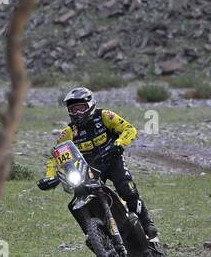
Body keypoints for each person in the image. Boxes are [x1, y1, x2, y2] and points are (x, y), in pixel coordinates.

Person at [38, 86, 158, 239]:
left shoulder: (105, 116)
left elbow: (130, 129)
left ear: (90, 104)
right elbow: (55, 157)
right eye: (73, 109)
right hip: (88, 169)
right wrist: (49, 177)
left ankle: (147, 223)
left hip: (113, 160)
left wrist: (119, 144)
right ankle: (94, 235)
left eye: (80, 108)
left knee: (126, 189)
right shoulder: (68, 132)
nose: (77, 113)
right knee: (81, 197)